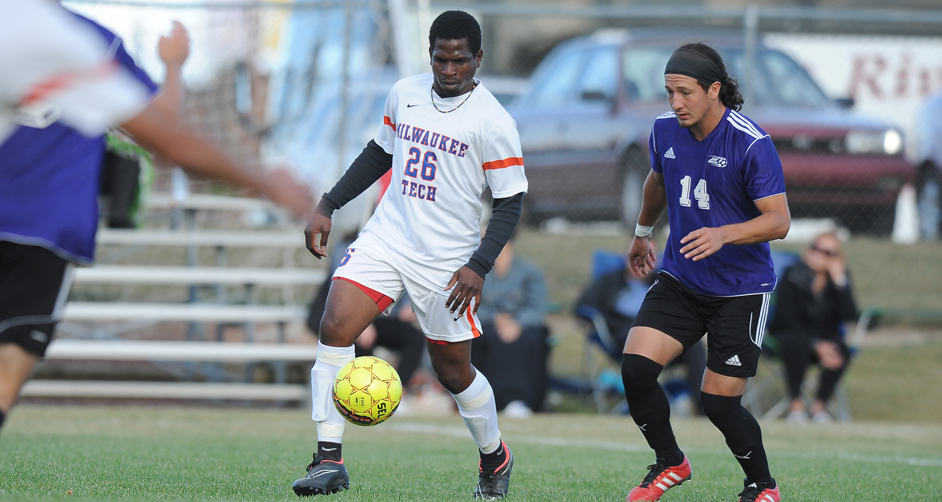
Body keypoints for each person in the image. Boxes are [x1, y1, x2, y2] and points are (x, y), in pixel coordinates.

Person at [0, 9, 313, 435]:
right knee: (6, 373)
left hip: (41, 224)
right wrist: (173, 66)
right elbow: (164, 130)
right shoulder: (77, 39)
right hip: (45, 226)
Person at [296, 10, 526, 500]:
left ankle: (494, 456)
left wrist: (478, 265)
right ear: (430, 54)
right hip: (388, 237)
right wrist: (329, 203)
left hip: (448, 263)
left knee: (453, 372)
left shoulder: (494, 120)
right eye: (440, 59)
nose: (448, 70)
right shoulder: (404, 93)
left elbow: (510, 203)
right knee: (335, 325)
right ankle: (328, 460)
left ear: (477, 59)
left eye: (460, 61)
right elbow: (380, 153)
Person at [621, 43, 790, 502]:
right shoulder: (664, 131)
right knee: (635, 368)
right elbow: (657, 180)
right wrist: (642, 231)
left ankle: (762, 486)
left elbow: (779, 221)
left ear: (714, 90)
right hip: (682, 277)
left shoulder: (750, 142)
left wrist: (723, 234)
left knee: (717, 401)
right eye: (669, 93)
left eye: (685, 92)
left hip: (740, 290)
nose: (675, 103)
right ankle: (670, 462)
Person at [575, 245, 706, 415]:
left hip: (664, 337)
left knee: (694, 346)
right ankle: (648, 406)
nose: (641, 261)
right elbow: (583, 306)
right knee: (638, 333)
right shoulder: (609, 281)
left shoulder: (664, 283)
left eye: (648, 256)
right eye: (636, 255)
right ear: (625, 258)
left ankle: (703, 407)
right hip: (625, 333)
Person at [306, 232, 426, 391]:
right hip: (348, 313)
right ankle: (357, 391)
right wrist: (360, 322)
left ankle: (397, 391)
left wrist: (413, 305)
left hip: (380, 316)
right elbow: (341, 292)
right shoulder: (351, 245)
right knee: (358, 340)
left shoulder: (404, 246)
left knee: (415, 338)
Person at [769, 232, 857, 423]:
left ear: (837, 258)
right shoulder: (792, 274)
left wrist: (840, 282)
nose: (818, 254)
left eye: (827, 252)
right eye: (815, 248)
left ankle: (819, 407)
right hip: (789, 336)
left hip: (825, 340)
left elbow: (849, 315)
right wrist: (815, 344)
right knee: (796, 343)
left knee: (840, 350)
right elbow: (786, 319)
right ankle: (796, 405)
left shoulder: (838, 281)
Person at [470, 232, 549, 417]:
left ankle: (522, 401)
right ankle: (487, 400)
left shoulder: (530, 272)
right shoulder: (474, 271)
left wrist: (517, 323)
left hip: (523, 326)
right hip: (487, 324)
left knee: (528, 340)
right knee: (490, 338)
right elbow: (469, 304)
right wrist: (496, 319)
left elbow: (538, 309)